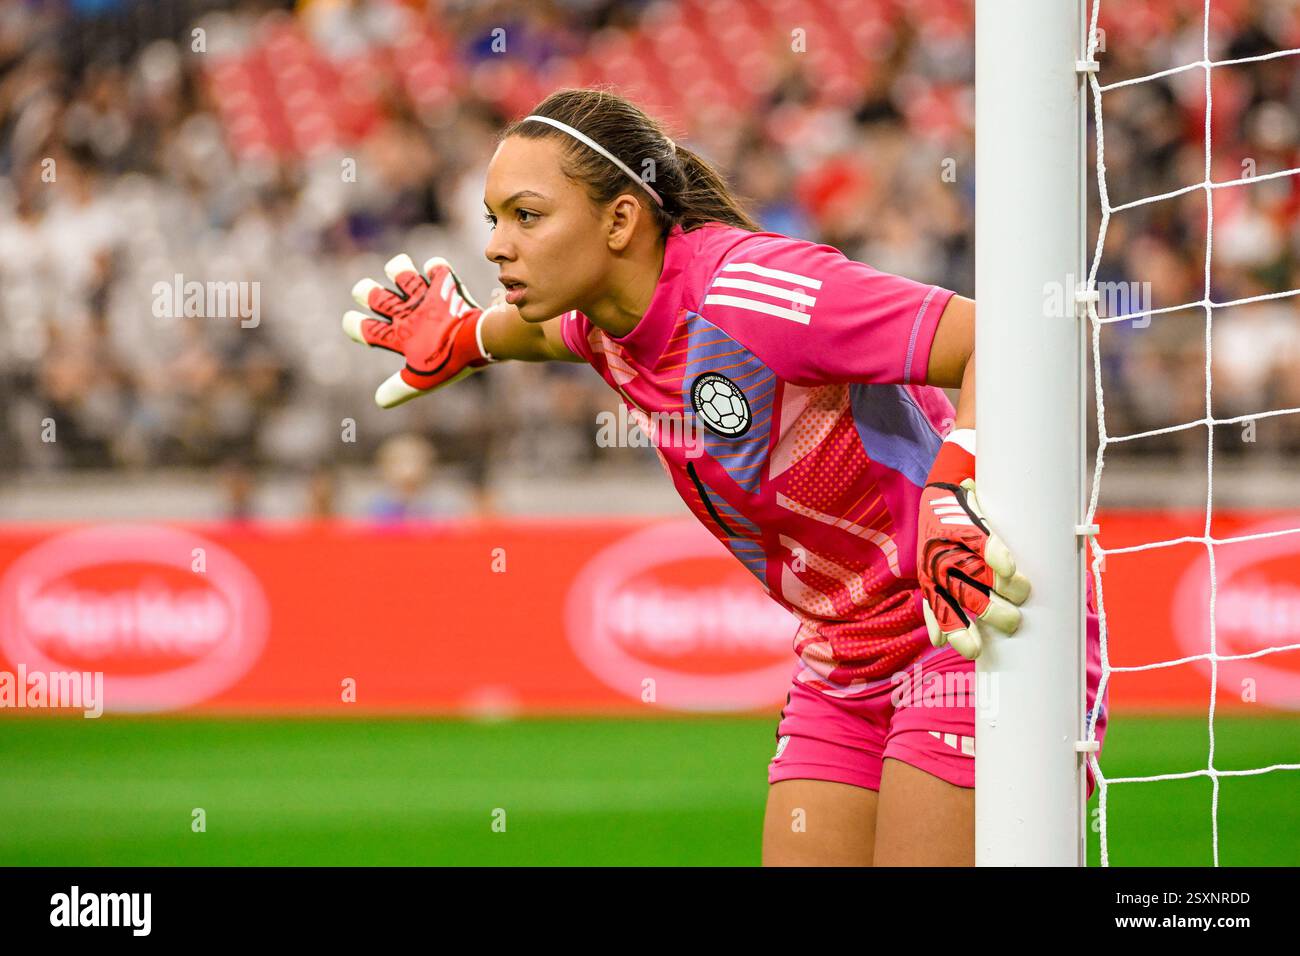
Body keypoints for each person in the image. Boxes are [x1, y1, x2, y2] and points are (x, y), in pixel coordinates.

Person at [342, 87, 1107, 866]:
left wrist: (956, 493)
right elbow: (524, 334)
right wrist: (461, 337)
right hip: (844, 652)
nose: (499, 246)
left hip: (967, 616)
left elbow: (1004, 339)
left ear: (619, 221)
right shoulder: (599, 320)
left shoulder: (755, 296)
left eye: (527, 216)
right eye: (493, 220)